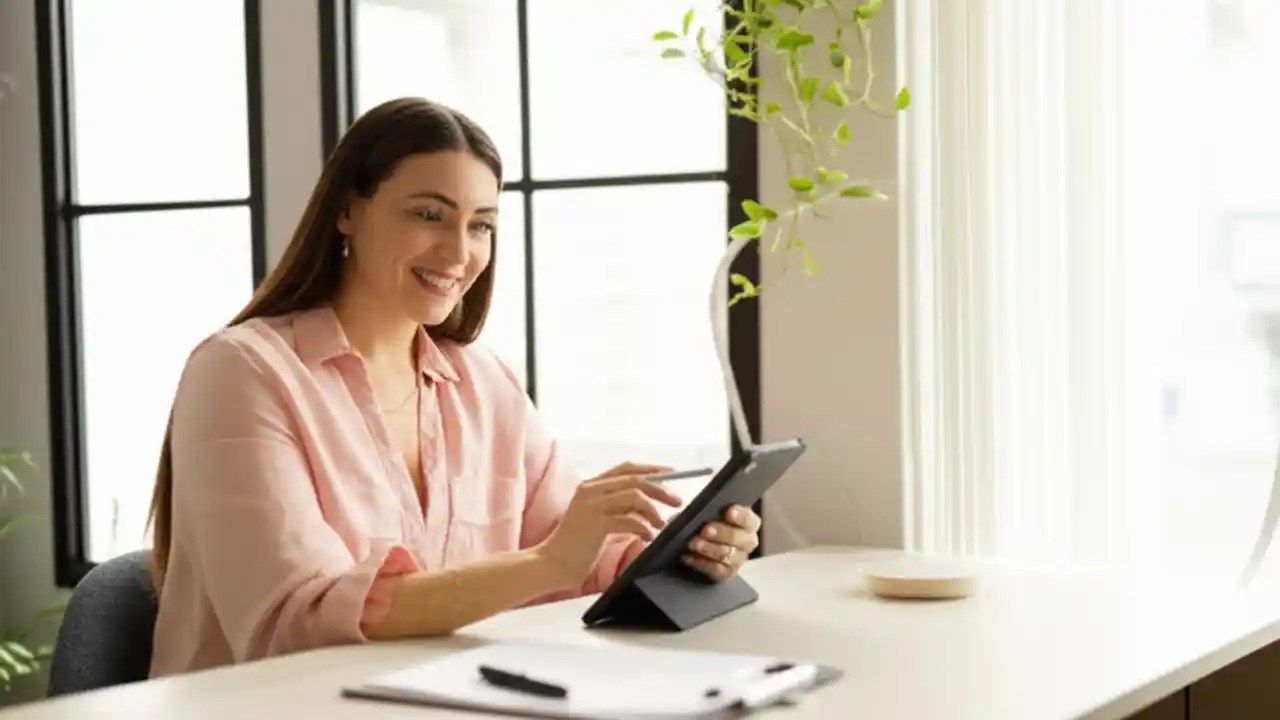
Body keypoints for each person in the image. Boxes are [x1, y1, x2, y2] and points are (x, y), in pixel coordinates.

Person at [146, 97, 762, 677]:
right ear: (347, 210)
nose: (458, 252)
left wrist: (682, 557)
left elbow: (578, 559)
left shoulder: (480, 381)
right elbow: (298, 621)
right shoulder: (241, 372)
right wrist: (550, 561)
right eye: (428, 215)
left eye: (481, 226)